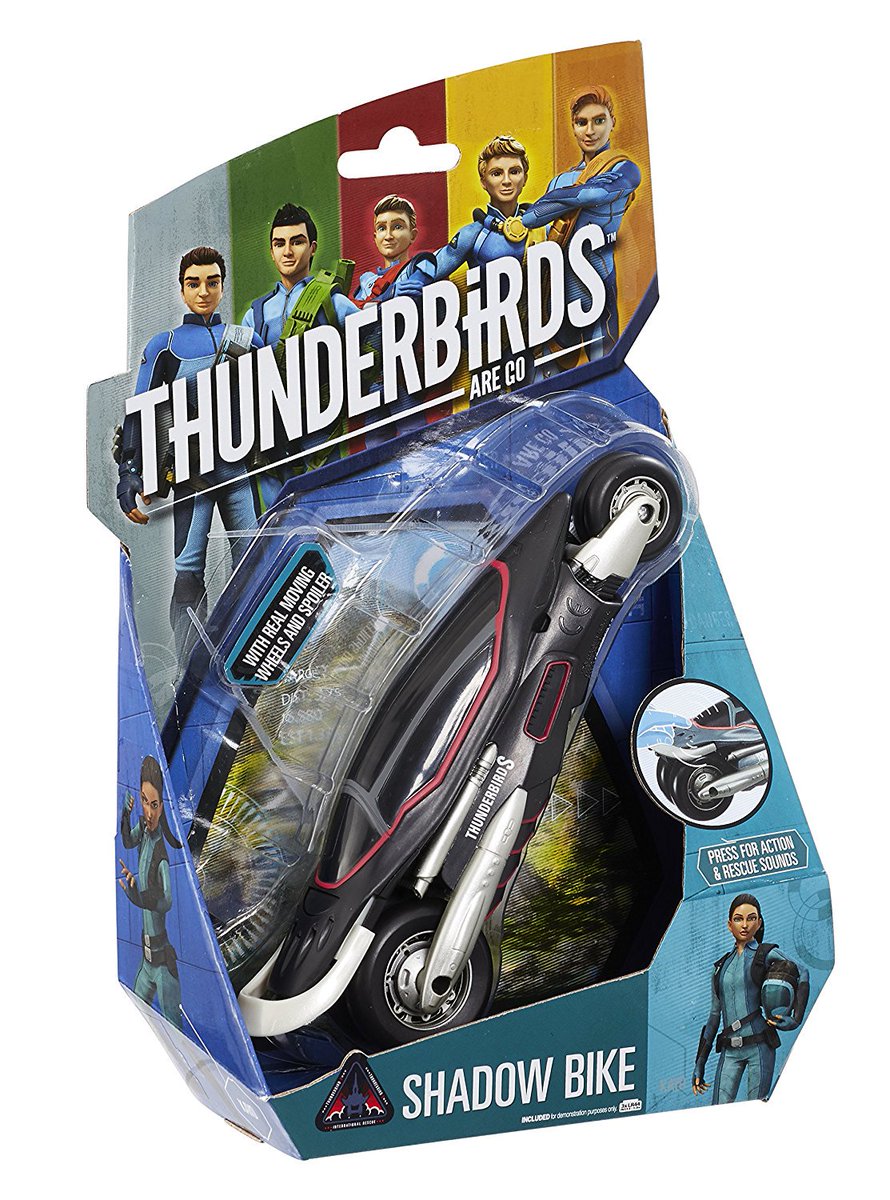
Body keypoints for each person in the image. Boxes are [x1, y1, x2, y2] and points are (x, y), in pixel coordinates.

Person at [115, 247, 262, 665]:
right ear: (182, 289)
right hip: (191, 477)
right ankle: (188, 671)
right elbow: (140, 411)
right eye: (193, 283)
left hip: (238, 472)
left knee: (254, 565)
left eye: (212, 282)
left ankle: (253, 657)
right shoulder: (166, 346)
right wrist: (131, 472)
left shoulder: (247, 340)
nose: (203, 292)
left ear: (222, 285)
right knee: (188, 574)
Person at [518, 87, 640, 362]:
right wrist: (566, 198)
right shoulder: (559, 181)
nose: (590, 131)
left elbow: (594, 195)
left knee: (604, 369)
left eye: (599, 120)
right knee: (550, 376)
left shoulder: (623, 168)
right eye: (581, 122)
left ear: (612, 122)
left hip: (599, 291)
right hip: (557, 299)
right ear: (573, 127)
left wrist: (551, 202)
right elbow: (532, 219)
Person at [692, 893, 809, 1104]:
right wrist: (699, 1063)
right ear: (729, 925)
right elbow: (713, 1017)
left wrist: (796, 1018)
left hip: (760, 1045)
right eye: (738, 919)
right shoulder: (719, 967)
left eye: (751, 918)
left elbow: (801, 971)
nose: (745, 925)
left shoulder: (765, 953)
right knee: (718, 1109)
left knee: (756, 1111)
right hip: (729, 1049)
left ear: (759, 922)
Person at [119, 756, 184, 1029]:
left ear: (162, 807)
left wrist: (140, 898)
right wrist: (125, 814)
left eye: (154, 804)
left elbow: (167, 899)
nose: (148, 812)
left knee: (176, 1031)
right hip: (146, 964)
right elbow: (127, 840)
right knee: (133, 1016)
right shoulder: (144, 833)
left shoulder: (161, 855)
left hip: (163, 966)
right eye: (145, 801)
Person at [428, 135, 539, 278]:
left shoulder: (541, 229)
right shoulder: (472, 235)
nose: (506, 181)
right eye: (497, 173)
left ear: (525, 178)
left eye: (514, 172)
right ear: (483, 182)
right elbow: (426, 273)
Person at [353, 194, 421, 305]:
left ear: (412, 235)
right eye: (382, 228)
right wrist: (388, 295)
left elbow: (450, 254)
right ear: (375, 238)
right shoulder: (366, 282)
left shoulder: (419, 266)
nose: (388, 236)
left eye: (397, 227)